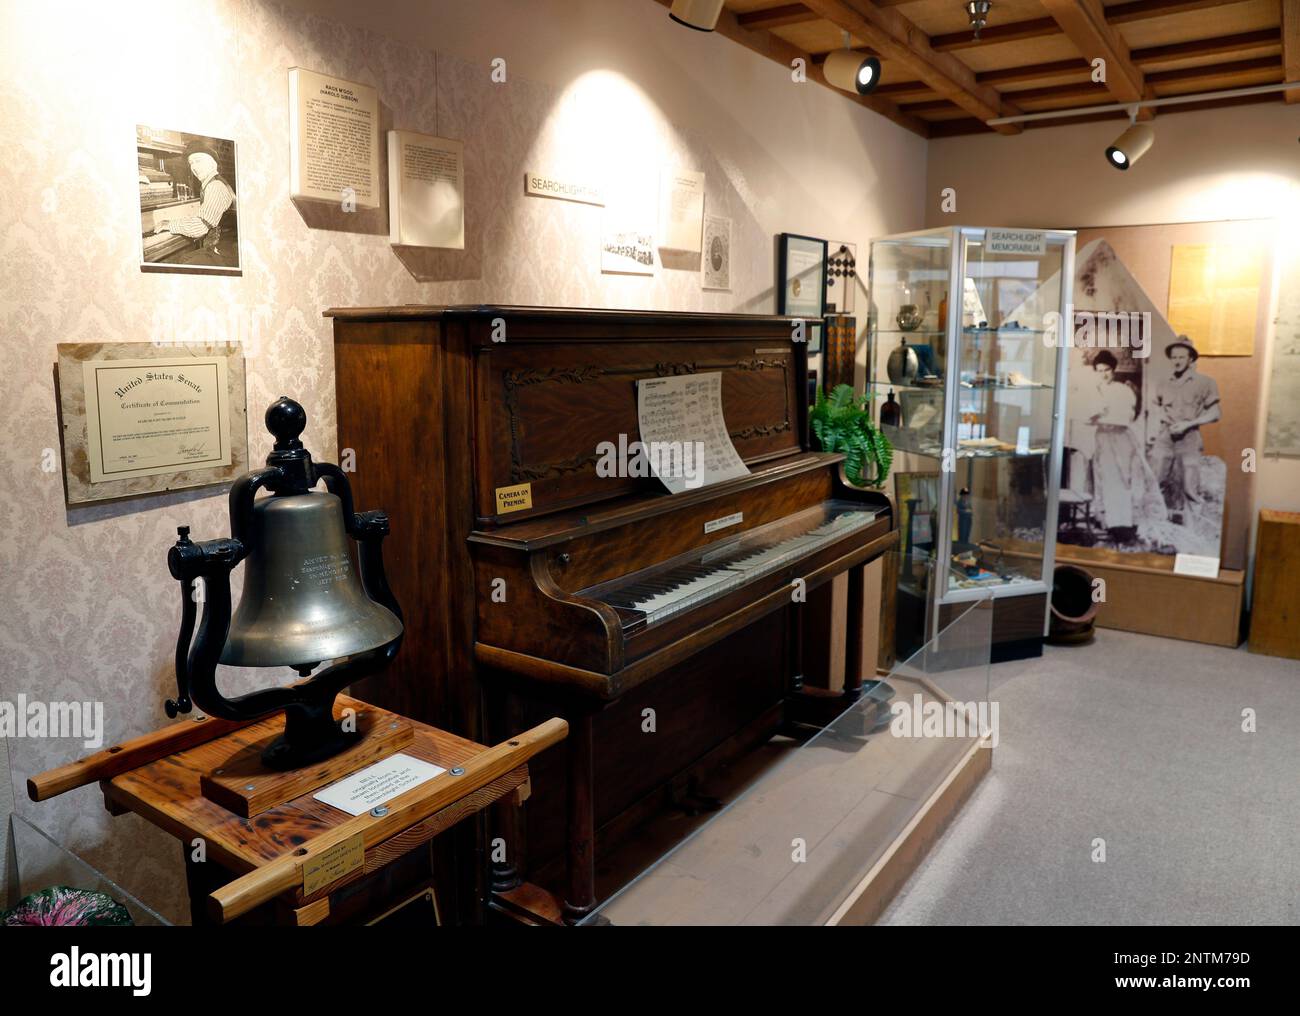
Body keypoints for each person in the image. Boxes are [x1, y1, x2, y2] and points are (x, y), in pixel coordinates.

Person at [1151, 337, 1220, 525]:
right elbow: (1154, 406)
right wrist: (1163, 417)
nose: (1178, 361)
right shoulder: (1163, 383)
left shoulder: (1206, 382)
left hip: (1189, 438)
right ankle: (1159, 529)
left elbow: (1215, 413)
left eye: (1182, 357)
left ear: (1191, 359)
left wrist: (1188, 424)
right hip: (1165, 437)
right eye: (1174, 357)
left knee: (1190, 487)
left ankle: (1192, 533)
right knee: (1156, 481)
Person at [1086, 350, 1144, 542]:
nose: (1103, 374)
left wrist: (1102, 416)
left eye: (1107, 370)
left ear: (1114, 369)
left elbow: (1126, 417)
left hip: (1120, 437)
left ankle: (1123, 524)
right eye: (1099, 370)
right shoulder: (1093, 390)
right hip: (1101, 436)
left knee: (1121, 478)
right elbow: (1085, 416)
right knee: (1102, 478)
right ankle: (1107, 521)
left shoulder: (1123, 390)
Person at [152, 140, 237, 267]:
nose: (194, 167)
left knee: (183, 262)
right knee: (185, 258)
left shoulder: (215, 186)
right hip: (221, 248)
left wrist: (169, 224)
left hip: (227, 253)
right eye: (191, 163)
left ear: (211, 163)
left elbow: (200, 227)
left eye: (198, 161)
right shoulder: (213, 183)